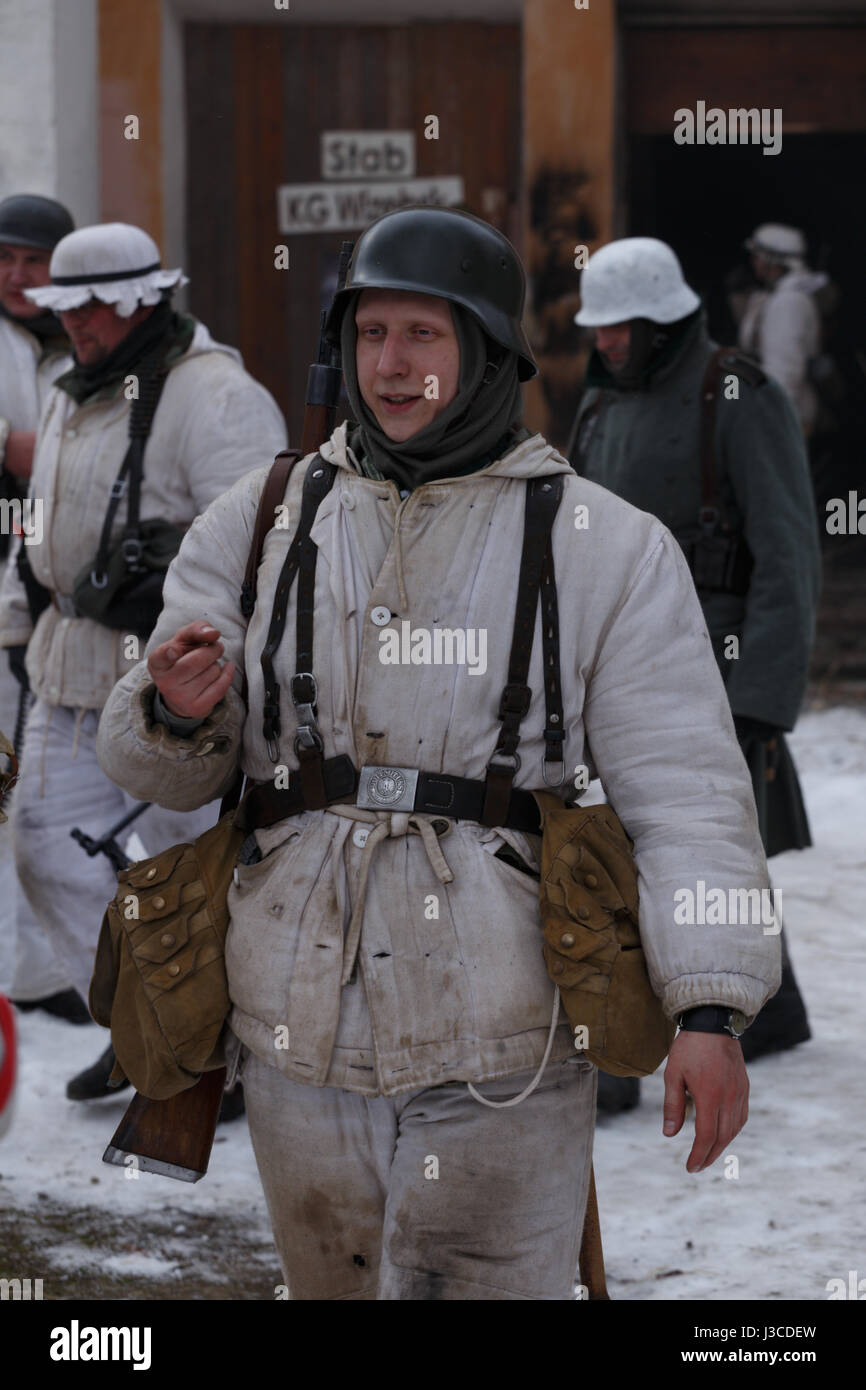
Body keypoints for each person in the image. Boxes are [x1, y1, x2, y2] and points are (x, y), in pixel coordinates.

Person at [98, 207, 778, 1302]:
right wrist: (174, 712)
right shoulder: (261, 515)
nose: (391, 365)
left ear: (485, 352)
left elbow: (690, 796)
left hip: (503, 1031)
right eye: (370, 334)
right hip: (294, 1025)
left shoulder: (603, 544)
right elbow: (163, 774)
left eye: (423, 333)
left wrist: (708, 1006)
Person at [0, 222, 287, 1100]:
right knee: (46, 849)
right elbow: (42, 521)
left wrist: (218, 676)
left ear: (140, 301)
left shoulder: (218, 396)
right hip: (65, 664)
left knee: (186, 868)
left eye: (90, 307)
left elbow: (264, 548)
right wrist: (21, 617)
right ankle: (149, 1023)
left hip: (180, 683)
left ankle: (210, 1058)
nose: (76, 324)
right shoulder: (67, 388)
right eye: (67, 308)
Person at [569, 236, 819, 1111]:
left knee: (677, 843)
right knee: (631, 842)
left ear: (662, 323)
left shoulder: (739, 393)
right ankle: (770, 1007)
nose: (602, 344)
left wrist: (759, 704)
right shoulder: (599, 408)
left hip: (716, 667)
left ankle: (623, 1053)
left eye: (618, 329)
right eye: (596, 328)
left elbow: (790, 554)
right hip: (609, 661)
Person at [0, 194, 85, 1023]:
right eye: (7, 261)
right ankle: (27, 969)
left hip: (58, 596)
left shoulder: (84, 343)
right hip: (6, 587)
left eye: (35, 260)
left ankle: (40, 969)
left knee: (39, 793)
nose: (19, 277)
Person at [737, 224, 828, 438]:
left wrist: (767, 421)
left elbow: (784, 372)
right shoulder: (775, 296)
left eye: (758, 257)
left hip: (780, 415)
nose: (754, 262)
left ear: (774, 261)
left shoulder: (788, 303)